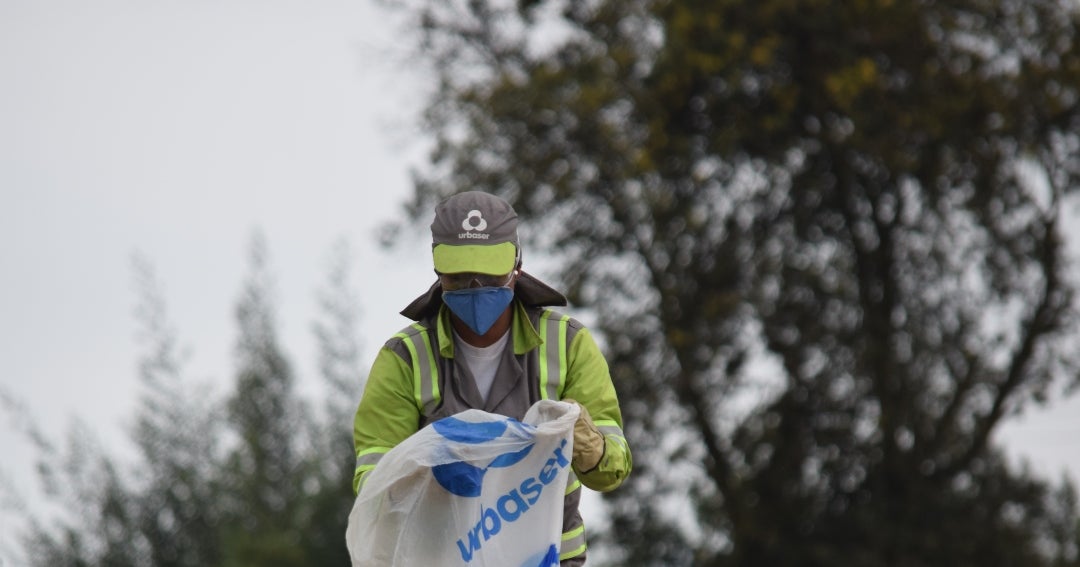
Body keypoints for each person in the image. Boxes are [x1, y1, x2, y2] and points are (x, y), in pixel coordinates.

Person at [352, 191, 632, 565]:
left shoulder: (567, 345)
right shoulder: (405, 358)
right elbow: (373, 481)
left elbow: (611, 473)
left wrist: (588, 442)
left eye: (488, 271)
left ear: (517, 264)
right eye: (460, 273)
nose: (475, 285)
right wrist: (426, 477)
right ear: (438, 270)